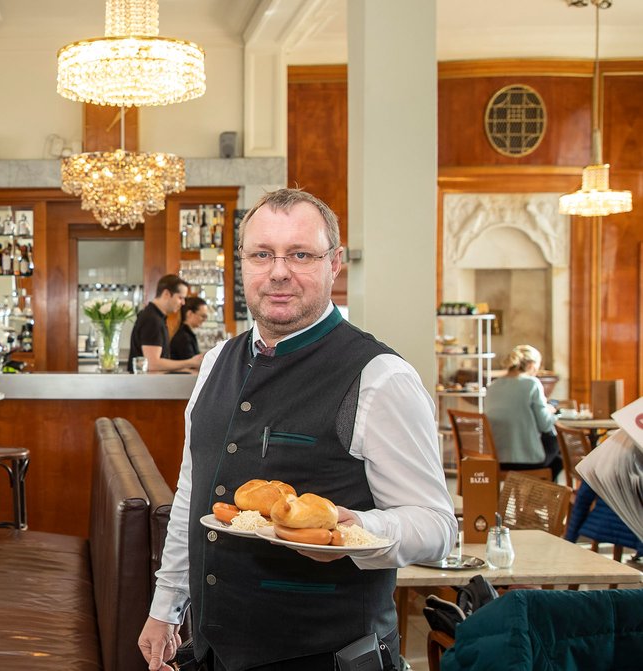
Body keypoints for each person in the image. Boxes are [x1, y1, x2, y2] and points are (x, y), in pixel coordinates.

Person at [138, 188, 457, 671]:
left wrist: (356, 530)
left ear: (335, 264)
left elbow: (437, 526)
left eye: (301, 254)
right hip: (212, 649)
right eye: (262, 254)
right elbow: (192, 495)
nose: (279, 271)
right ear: (242, 263)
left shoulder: (380, 376)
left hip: (325, 656)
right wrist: (166, 607)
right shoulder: (217, 362)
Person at [484, 345, 562, 480]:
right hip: (527, 460)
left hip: (496, 458)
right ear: (531, 364)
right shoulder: (532, 384)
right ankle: (537, 493)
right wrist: (552, 412)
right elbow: (545, 425)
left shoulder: (493, 386)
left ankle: (522, 491)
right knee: (558, 458)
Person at [127, 274, 204, 373]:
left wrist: (185, 369)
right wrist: (190, 362)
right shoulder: (152, 319)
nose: (183, 303)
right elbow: (152, 364)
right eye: (180, 298)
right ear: (166, 294)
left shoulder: (156, 317)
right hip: (145, 382)